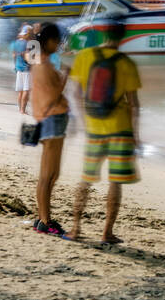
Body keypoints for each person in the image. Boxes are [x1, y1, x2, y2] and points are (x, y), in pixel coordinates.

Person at [68, 21, 141, 245]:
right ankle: (106, 233)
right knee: (115, 182)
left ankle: (75, 228)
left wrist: (83, 120)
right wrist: (136, 136)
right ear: (122, 37)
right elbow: (134, 105)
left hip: (94, 128)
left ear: (104, 34)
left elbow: (77, 93)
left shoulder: (85, 56)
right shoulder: (127, 63)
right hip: (120, 129)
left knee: (86, 180)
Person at [29, 23, 70, 237]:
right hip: (52, 119)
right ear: (49, 41)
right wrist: (66, 74)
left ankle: (42, 217)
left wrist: (34, 33)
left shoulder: (36, 60)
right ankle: (45, 220)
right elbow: (55, 93)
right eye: (57, 40)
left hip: (46, 118)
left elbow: (30, 49)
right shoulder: (44, 66)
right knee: (49, 174)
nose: (59, 44)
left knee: (49, 174)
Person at [11, 24, 34, 114]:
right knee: (26, 91)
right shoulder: (29, 43)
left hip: (18, 68)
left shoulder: (16, 42)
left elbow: (14, 55)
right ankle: (23, 110)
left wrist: (15, 66)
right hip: (27, 69)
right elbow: (30, 59)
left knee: (20, 91)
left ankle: (20, 109)